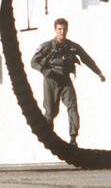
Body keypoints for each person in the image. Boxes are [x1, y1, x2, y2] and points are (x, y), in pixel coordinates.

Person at [31, 18, 105, 147]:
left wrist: (98, 73)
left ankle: (73, 137)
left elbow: (86, 59)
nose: (62, 32)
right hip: (51, 79)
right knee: (50, 112)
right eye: (59, 29)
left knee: (73, 106)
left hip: (65, 79)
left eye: (64, 29)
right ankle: (48, 136)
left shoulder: (72, 46)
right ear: (55, 30)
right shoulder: (47, 46)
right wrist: (45, 71)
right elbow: (33, 62)